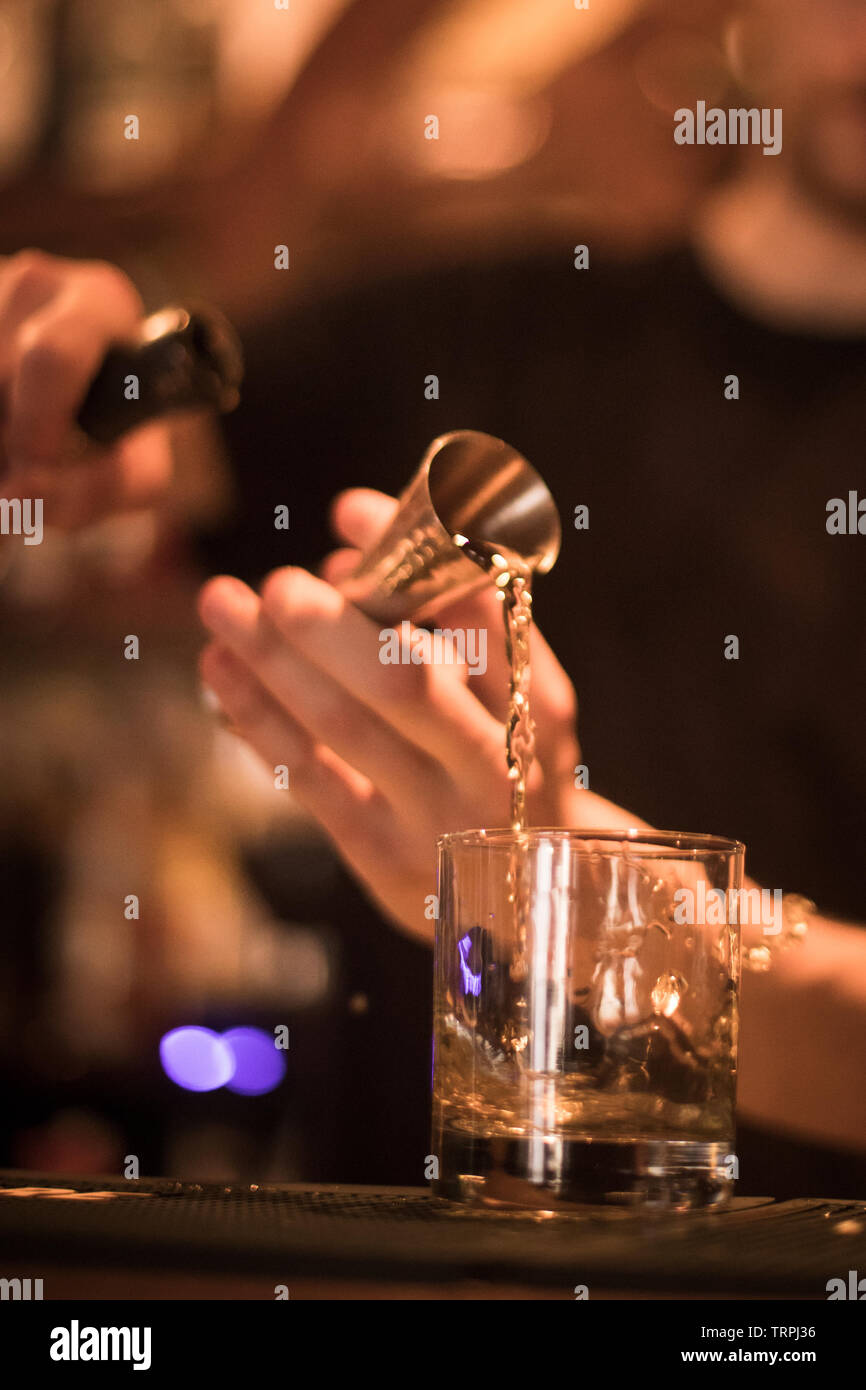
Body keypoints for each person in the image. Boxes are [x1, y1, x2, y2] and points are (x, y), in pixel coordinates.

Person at [1, 0, 864, 1193]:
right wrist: (92, 375)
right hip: (404, 1264)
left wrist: (570, 894)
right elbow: (162, 463)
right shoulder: (487, 327)